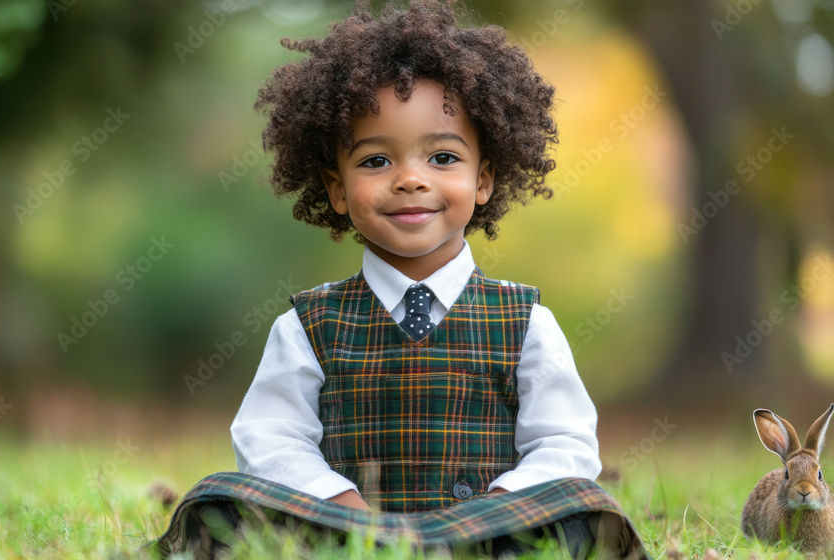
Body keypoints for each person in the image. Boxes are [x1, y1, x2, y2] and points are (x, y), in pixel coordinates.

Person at [154, 1, 647, 558]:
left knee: (587, 504)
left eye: (442, 157)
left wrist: (494, 510)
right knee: (219, 496)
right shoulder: (307, 326)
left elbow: (565, 444)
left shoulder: (526, 321)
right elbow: (269, 439)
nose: (410, 179)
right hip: (344, 537)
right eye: (375, 162)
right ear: (337, 189)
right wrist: (343, 508)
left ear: (483, 179)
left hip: (488, 540)